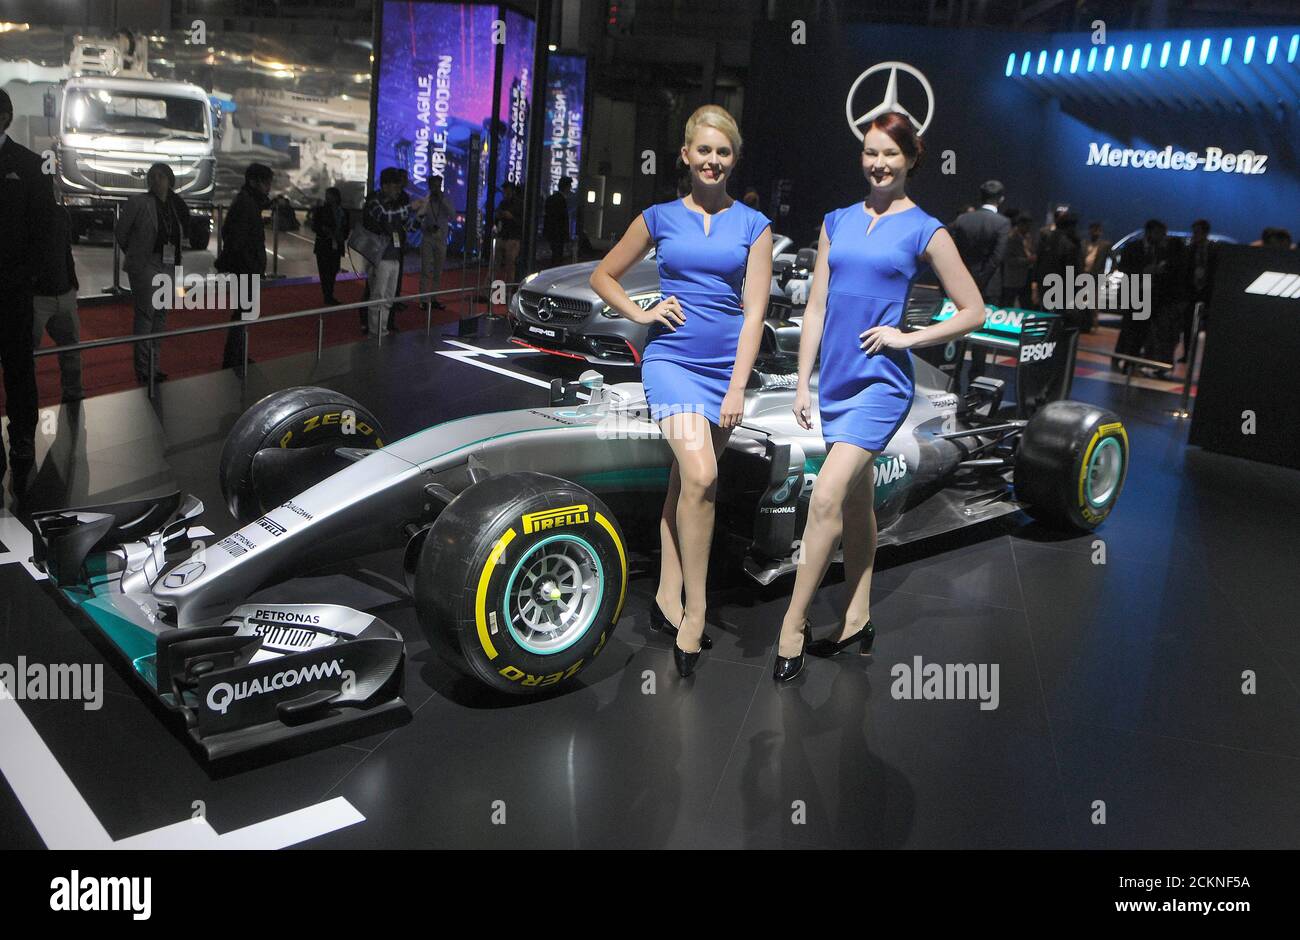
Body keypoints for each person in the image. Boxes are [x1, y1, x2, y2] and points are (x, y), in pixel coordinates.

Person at [778, 112, 985, 681]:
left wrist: (909, 337)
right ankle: (857, 619)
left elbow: (974, 310)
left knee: (823, 498)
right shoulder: (836, 221)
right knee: (854, 503)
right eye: (870, 152)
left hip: (881, 383)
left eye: (891, 154)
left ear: (912, 158)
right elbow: (816, 307)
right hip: (837, 380)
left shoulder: (926, 229)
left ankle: (792, 625)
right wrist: (803, 379)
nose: (879, 163)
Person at [590, 104, 773, 678]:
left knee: (684, 486)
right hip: (672, 362)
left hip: (725, 372)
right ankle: (696, 611)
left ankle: (668, 594)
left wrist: (738, 387)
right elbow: (603, 275)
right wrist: (641, 310)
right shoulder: (659, 216)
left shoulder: (754, 226)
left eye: (723, 152)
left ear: (733, 159)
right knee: (701, 477)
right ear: (686, 155)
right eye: (704, 151)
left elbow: (755, 314)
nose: (713, 161)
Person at [0, 88, 52, 476]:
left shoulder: (30, 166)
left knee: (18, 368)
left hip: (14, 291)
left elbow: (44, 231)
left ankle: (22, 438)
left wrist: (29, 281)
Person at [116, 162, 188, 385]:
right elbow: (121, 232)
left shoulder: (176, 206)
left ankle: (154, 367)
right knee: (146, 314)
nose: (155, 180)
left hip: (168, 263)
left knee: (161, 315)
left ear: (169, 179)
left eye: (160, 176)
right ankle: (143, 370)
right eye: (152, 176)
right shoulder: (138, 203)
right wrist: (135, 254)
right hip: (147, 263)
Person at [216, 163, 272, 376]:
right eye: (266, 183)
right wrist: (252, 263)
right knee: (244, 312)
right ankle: (234, 357)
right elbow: (236, 239)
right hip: (247, 268)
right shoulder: (247, 204)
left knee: (245, 312)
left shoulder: (247, 202)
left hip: (247, 266)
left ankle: (237, 354)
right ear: (254, 182)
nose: (268, 188)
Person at [362, 167, 423, 336]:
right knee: (378, 296)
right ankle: (375, 332)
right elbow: (384, 216)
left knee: (388, 298)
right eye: (396, 187)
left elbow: (407, 227)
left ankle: (383, 329)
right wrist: (409, 208)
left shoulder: (396, 206)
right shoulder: (374, 201)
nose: (398, 191)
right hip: (380, 256)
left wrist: (419, 216)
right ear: (386, 186)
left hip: (395, 255)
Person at [33, 204, 83, 403]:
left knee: (69, 347)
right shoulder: (54, 212)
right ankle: (73, 392)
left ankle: (73, 391)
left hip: (57, 291)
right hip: (44, 293)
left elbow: (66, 247)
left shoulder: (59, 213)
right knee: (68, 347)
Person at [949, 179, 1010, 303]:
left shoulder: (962, 219)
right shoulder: (1002, 223)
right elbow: (997, 257)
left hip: (962, 281)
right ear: (1001, 199)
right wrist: (981, 281)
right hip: (989, 285)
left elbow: (952, 250)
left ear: (981, 197)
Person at [1035, 209, 1086, 330]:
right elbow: (1074, 270)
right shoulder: (1072, 243)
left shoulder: (1048, 238)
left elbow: (1040, 262)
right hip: (1063, 288)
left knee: (1045, 318)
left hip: (1046, 285)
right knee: (1059, 320)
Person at [419, 174, 454, 308]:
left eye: (438, 186)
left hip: (441, 238)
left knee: (438, 270)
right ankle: (423, 300)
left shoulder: (446, 200)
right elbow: (419, 217)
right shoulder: (426, 201)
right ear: (429, 186)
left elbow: (452, 214)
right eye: (433, 186)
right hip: (428, 237)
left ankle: (434, 298)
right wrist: (426, 227)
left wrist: (442, 199)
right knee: (425, 269)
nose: (436, 189)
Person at [1183, 218, 1215, 358]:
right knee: (1188, 325)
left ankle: (1206, 355)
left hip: (1208, 292)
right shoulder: (1189, 249)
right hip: (1191, 291)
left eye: (1197, 232)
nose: (1195, 235)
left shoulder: (1214, 249)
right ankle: (1187, 353)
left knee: (1208, 325)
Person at [311, 187, 347, 306]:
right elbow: (315, 226)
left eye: (330, 195)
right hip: (323, 245)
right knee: (324, 272)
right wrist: (326, 231)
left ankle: (330, 294)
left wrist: (341, 236)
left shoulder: (343, 212)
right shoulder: (320, 210)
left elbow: (346, 229)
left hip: (337, 246)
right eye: (327, 195)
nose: (328, 198)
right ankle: (327, 296)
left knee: (333, 270)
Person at [1081, 221, 1112, 332]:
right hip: (1083, 274)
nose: (1095, 232)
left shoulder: (1105, 245)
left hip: (1096, 276)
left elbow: (1112, 258)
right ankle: (1083, 321)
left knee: (1093, 301)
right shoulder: (1084, 243)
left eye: (1097, 230)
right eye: (1093, 230)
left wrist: (1109, 273)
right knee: (1082, 299)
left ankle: (1094, 323)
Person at [1000, 213, 1036, 309]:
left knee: (1025, 304)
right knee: (1008, 304)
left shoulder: (1028, 236)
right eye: (1027, 226)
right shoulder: (1011, 237)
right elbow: (1009, 260)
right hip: (1013, 278)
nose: (1029, 228)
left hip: (1025, 276)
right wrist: (1028, 260)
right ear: (1020, 224)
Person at [495, 181, 523, 290]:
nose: (505, 192)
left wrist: (511, 218)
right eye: (504, 190)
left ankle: (508, 291)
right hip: (504, 236)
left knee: (510, 266)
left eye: (507, 190)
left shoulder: (518, 204)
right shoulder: (503, 203)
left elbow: (522, 222)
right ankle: (491, 291)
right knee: (496, 264)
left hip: (512, 237)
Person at [542, 177, 573, 268]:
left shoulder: (550, 199)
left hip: (551, 233)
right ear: (566, 187)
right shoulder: (561, 200)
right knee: (557, 257)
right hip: (558, 235)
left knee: (553, 256)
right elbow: (562, 220)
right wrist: (566, 235)